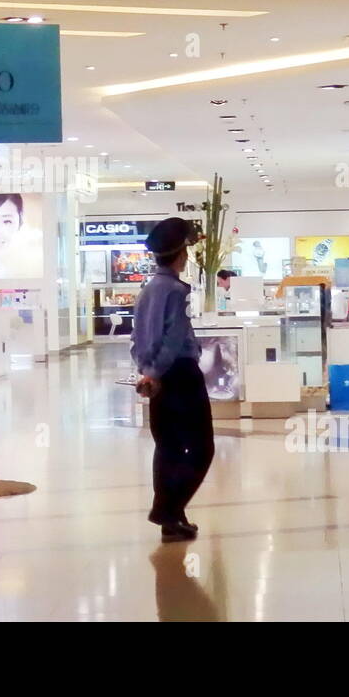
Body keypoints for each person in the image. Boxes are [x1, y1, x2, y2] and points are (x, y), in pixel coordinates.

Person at [131, 217, 214, 544]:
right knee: (201, 448)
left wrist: (147, 370)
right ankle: (167, 509)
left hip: (157, 376)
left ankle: (172, 520)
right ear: (181, 254)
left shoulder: (147, 290)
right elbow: (173, 337)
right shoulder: (177, 291)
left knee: (168, 447)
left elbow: (138, 338)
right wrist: (157, 370)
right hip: (179, 375)